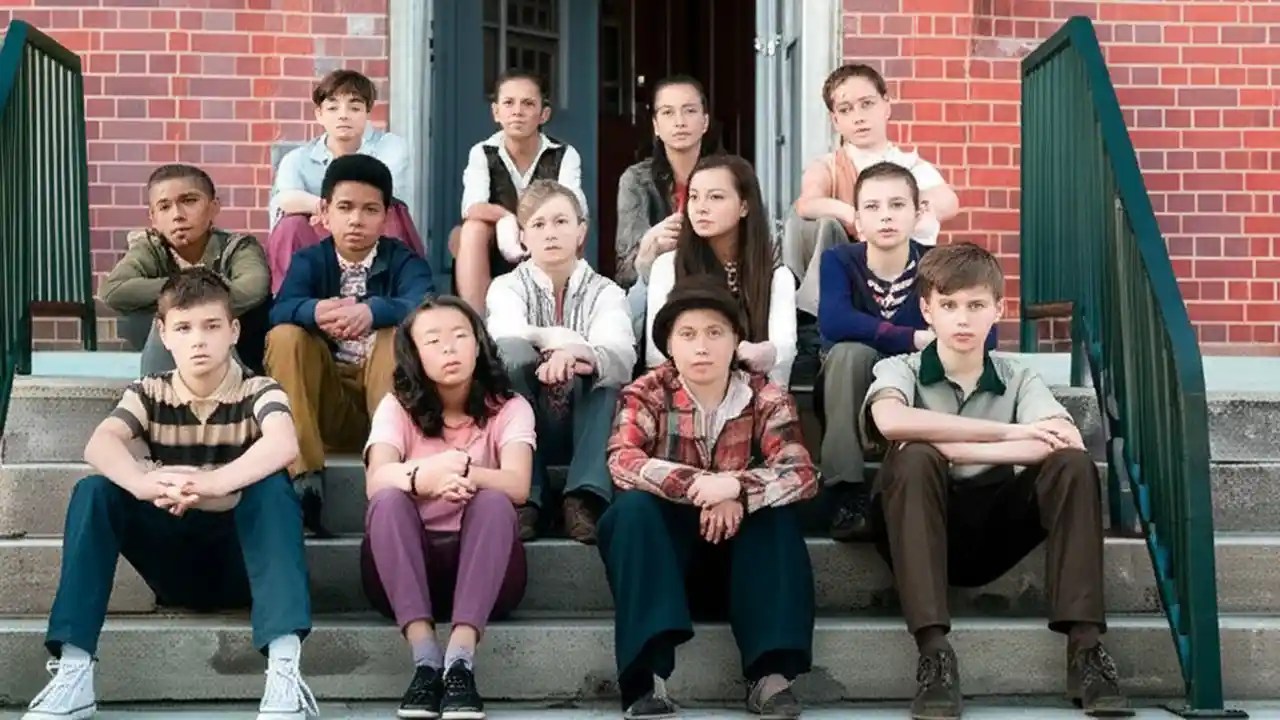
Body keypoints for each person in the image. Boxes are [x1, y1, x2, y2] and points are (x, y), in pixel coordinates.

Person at [23, 268, 316, 720]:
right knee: (95, 491)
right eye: (183, 327)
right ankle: (74, 671)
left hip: (244, 565)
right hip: (171, 559)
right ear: (164, 333)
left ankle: (283, 671)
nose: (198, 340)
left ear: (234, 330)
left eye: (212, 326)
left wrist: (213, 484)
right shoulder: (149, 392)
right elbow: (99, 444)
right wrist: (144, 482)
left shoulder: (259, 389)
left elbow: (283, 444)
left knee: (273, 487)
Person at [862, 243, 1130, 720]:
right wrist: (1011, 431)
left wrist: (959, 449)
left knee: (1073, 465)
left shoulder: (1018, 374)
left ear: (998, 310)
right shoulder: (898, 368)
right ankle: (934, 653)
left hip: (993, 525)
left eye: (975, 305)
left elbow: (1061, 440)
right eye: (948, 305)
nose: (962, 319)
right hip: (918, 523)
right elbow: (891, 422)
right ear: (927, 310)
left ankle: (1086, 651)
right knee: (914, 458)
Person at [600, 278, 818, 720]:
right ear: (669, 347)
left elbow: (800, 472)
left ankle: (770, 676)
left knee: (774, 516)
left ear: (736, 340)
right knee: (632, 510)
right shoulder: (646, 392)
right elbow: (622, 460)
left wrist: (737, 488)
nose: (702, 346)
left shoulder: (766, 395)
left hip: (743, 567)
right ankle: (646, 679)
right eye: (688, 334)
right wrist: (705, 486)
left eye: (715, 333)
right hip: (666, 568)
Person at [362, 296, 533, 720]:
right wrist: (425, 476)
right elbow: (376, 478)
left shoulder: (509, 407)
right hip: (403, 570)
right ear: (415, 354)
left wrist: (465, 474)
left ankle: (459, 664)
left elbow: (518, 484)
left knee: (495, 501)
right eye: (433, 340)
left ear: (479, 344)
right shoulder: (396, 407)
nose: (450, 349)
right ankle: (425, 663)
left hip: (487, 574)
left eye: (460, 336)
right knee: (388, 501)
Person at [816, 162, 997, 542]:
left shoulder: (938, 265)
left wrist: (940, 339)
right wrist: (912, 337)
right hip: (850, 385)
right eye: (872, 207)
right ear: (858, 220)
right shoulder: (839, 260)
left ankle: (943, 484)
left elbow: (987, 336)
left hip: (917, 385)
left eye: (897, 205)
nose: (885, 216)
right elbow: (833, 322)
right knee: (849, 353)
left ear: (918, 215)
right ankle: (847, 495)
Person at [267, 153, 435, 536]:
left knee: (400, 332)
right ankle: (305, 483)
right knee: (286, 335)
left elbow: (423, 304)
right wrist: (313, 310)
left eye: (369, 209)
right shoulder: (309, 260)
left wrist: (373, 312)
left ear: (387, 215)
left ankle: (388, 471)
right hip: (330, 402)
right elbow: (279, 312)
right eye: (345, 207)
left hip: (392, 403)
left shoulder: (405, 261)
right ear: (325, 212)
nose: (356, 220)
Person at [486, 180, 634, 543]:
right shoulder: (506, 287)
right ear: (523, 237)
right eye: (538, 224)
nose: (550, 233)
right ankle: (529, 497)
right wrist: (564, 343)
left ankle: (582, 496)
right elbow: (507, 332)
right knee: (512, 354)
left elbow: (622, 353)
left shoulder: (607, 291)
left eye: (561, 222)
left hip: (586, 424)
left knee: (608, 373)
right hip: (526, 422)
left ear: (581, 230)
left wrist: (580, 357)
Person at [784, 63, 959, 317]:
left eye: (867, 104)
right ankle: (813, 315)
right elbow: (807, 203)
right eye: (846, 110)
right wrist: (852, 215)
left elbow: (948, 201)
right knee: (820, 223)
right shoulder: (830, 166)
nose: (858, 117)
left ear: (886, 105)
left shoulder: (910, 165)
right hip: (849, 276)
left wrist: (897, 206)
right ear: (835, 120)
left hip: (901, 275)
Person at [101, 164, 271, 375]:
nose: (178, 215)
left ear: (214, 207)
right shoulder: (150, 247)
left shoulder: (239, 247)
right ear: (153, 218)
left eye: (189, 201)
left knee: (183, 314)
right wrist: (183, 290)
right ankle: (158, 399)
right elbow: (113, 290)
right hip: (166, 349)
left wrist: (183, 297)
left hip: (239, 354)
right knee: (169, 316)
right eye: (165, 207)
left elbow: (252, 290)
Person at [644, 155, 797, 387]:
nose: (701, 207)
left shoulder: (776, 275)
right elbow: (656, 356)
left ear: (744, 206)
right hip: (682, 394)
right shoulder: (668, 266)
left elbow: (783, 352)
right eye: (694, 197)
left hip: (754, 393)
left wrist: (765, 354)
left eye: (715, 197)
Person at [268, 69, 425, 293]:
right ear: (319, 114)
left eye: (354, 107)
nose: (343, 115)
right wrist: (326, 211)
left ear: (367, 112)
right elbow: (285, 199)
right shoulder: (297, 159)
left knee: (390, 213)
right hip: (319, 242)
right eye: (333, 107)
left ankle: (391, 298)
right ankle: (290, 301)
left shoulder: (391, 147)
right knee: (290, 225)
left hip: (372, 233)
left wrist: (331, 210)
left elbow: (380, 194)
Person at [450, 70, 586, 313]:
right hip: (497, 246)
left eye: (528, 104)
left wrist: (533, 225)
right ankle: (478, 321)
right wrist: (507, 218)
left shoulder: (564, 154)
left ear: (543, 114)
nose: (517, 112)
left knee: (574, 225)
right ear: (496, 112)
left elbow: (574, 206)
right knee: (471, 229)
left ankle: (559, 310)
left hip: (546, 235)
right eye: (509, 103)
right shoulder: (482, 152)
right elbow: (472, 207)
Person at [614, 75, 722, 342]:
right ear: (656, 126)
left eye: (690, 111)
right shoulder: (635, 180)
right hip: (654, 290)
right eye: (668, 112)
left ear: (705, 122)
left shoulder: (730, 176)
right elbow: (625, 274)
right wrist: (649, 248)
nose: (680, 122)